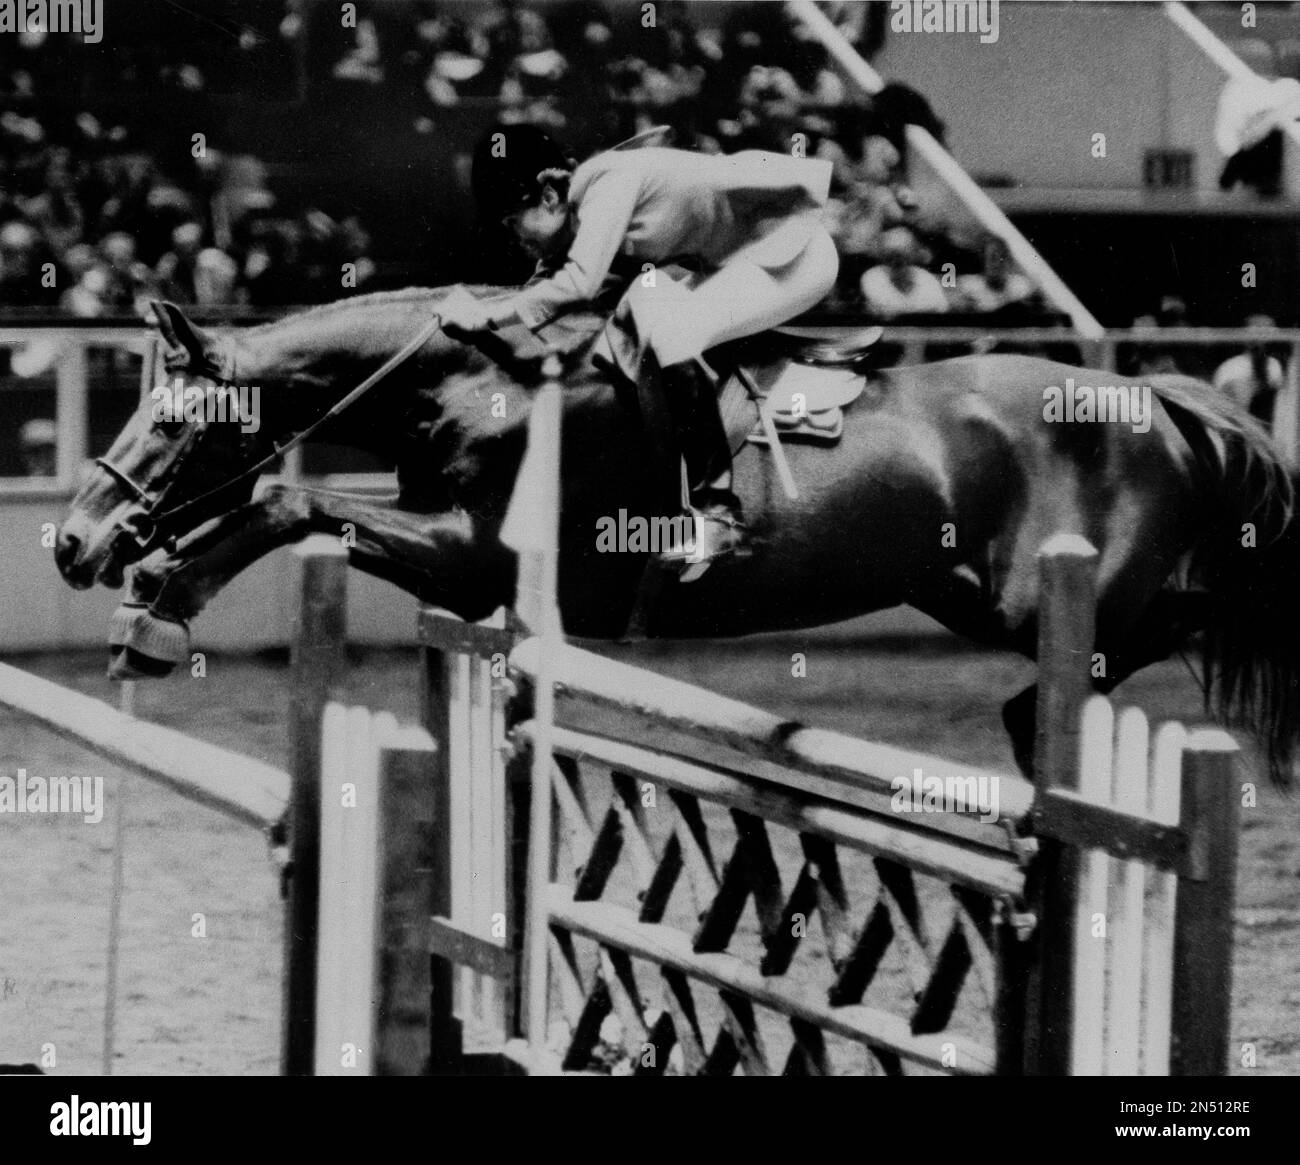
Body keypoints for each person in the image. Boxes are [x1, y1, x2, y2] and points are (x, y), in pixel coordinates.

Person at [441, 124, 839, 567]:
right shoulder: (579, 208)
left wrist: (490, 314)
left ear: (549, 198)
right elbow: (543, 285)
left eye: (513, 224)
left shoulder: (609, 185)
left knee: (673, 332)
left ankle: (719, 516)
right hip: (734, 259)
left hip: (789, 257)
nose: (516, 238)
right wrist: (477, 312)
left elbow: (578, 282)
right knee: (643, 304)